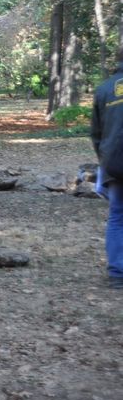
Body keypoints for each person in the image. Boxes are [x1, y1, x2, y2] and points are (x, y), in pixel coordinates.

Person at [91, 48, 123, 288]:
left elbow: (96, 133)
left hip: (114, 161)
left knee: (117, 216)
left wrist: (104, 160)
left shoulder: (104, 89)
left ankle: (117, 272)